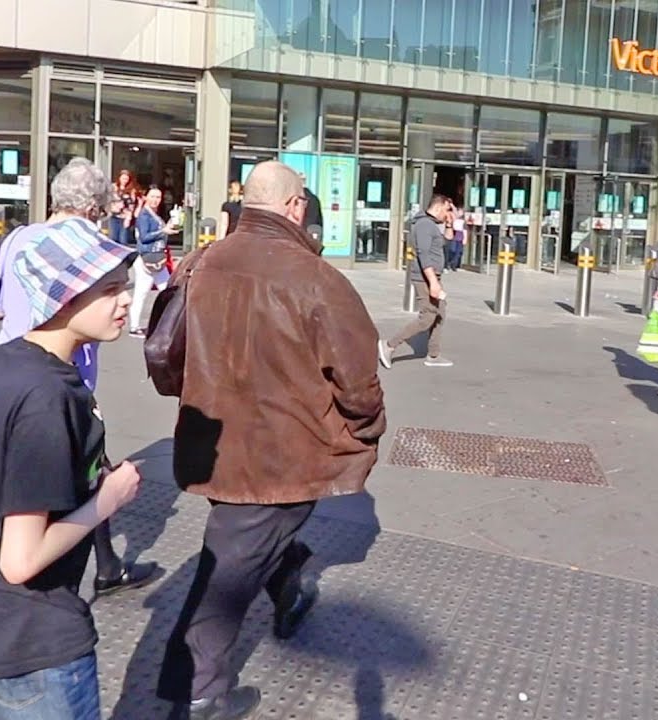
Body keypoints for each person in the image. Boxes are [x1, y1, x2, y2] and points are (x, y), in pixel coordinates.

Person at [158, 161, 386, 720]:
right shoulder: (317, 278)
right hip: (279, 454)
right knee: (227, 571)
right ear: (295, 207)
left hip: (212, 442)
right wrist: (366, 430)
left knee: (252, 537)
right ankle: (198, 692)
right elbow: (358, 382)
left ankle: (287, 585)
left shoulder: (200, 262)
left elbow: (164, 352)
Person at [0, 218, 143, 720]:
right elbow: (20, 562)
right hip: (36, 640)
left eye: (125, 287)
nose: (126, 301)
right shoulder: (51, 398)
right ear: (64, 299)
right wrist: (106, 500)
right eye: (110, 290)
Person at [0, 157, 158, 600]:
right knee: (78, 471)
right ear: (96, 205)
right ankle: (81, 565)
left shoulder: (17, 238)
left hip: (6, 365)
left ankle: (104, 561)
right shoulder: (89, 245)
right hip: (63, 374)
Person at [379, 194, 454, 368]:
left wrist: (450, 224)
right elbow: (423, 255)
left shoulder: (431, 225)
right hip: (425, 278)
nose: (448, 214)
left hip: (433, 276)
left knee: (440, 313)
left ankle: (433, 355)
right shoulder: (424, 225)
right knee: (427, 316)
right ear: (439, 206)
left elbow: (444, 241)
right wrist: (433, 283)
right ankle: (389, 345)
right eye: (447, 210)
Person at [129, 186, 181, 337]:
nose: (155, 200)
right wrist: (163, 231)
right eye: (152, 196)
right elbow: (144, 237)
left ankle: (166, 324)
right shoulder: (144, 215)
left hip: (157, 257)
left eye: (158, 197)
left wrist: (168, 227)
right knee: (144, 292)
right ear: (146, 197)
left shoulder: (153, 214)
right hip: (148, 258)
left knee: (166, 290)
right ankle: (135, 326)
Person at [108, 169, 141, 247]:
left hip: (125, 217)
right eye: (123, 178)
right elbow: (108, 200)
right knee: (113, 238)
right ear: (119, 178)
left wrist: (128, 218)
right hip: (114, 216)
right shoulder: (113, 187)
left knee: (123, 240)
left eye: (126, 179)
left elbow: (131, 205)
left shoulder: (131, 190)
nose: (124, 181)